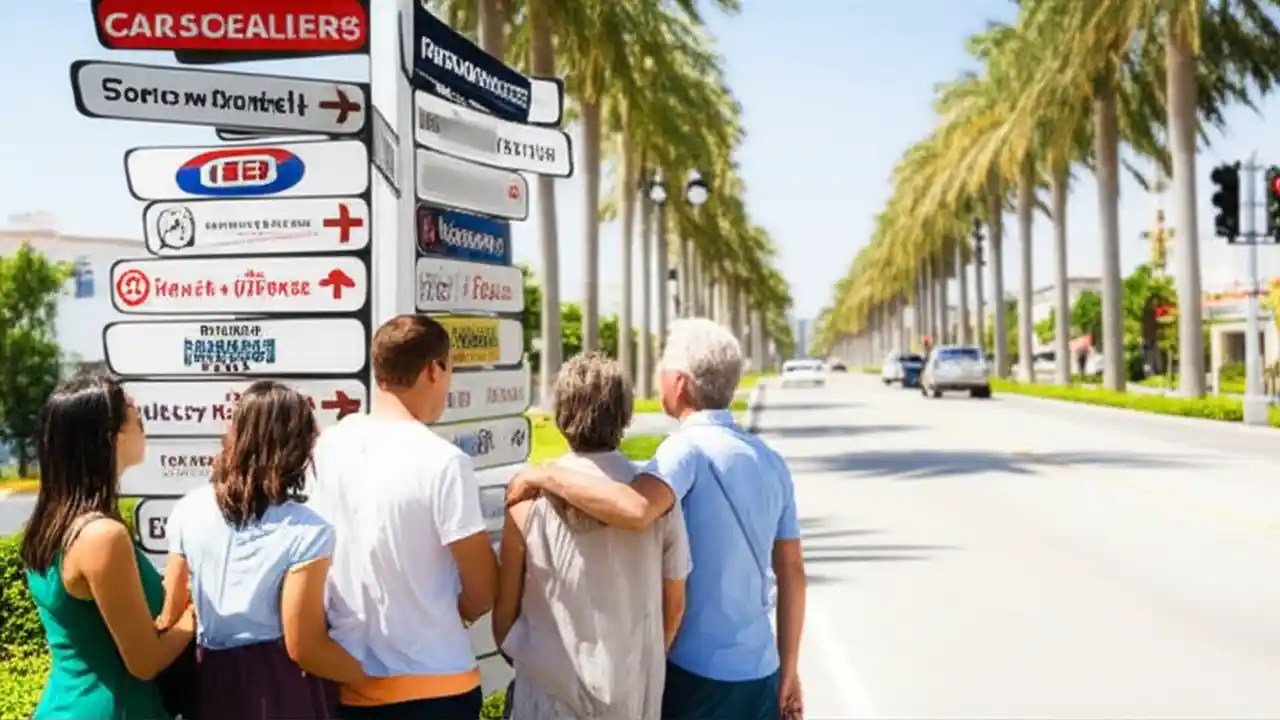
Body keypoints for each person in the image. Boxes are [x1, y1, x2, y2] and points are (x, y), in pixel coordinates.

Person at [508, 318, 807, 720]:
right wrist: (789, 671)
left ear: (680, 383)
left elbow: (635, 509)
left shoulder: (681, 452)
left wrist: (545, 475)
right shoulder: (770, 461)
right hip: (760, 669)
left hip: (696, 674)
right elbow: (792, 572)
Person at [307, 314, 498, 720]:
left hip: (349, 680)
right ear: (433, 369)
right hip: (437, 682)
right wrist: (454, 612)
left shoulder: (327, 447)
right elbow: (482, 588)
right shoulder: (444, 461)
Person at [494, 353, 692, 720]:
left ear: (559, 415)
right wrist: (645, 660)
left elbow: (504, 618)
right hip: (632, 698)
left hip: (544, 696)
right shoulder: (655, 500)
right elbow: (675, 603)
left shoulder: (525, 501)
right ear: (626, 416)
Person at [158, 380, 366, 719]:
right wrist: (365, 673)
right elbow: (305, 647)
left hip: (208, 676)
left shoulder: (188, 509)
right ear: (296, 446)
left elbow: (170, 612)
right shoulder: (308, 530)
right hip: (281, 686)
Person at [21, 374, 195, 720]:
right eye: (137, 418)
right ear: (110, 438)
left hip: (66, 703)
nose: (143, 425)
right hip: (113, 708)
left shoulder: (50, 524)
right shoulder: (102, 536)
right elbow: (145, 662)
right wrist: (196, 612)